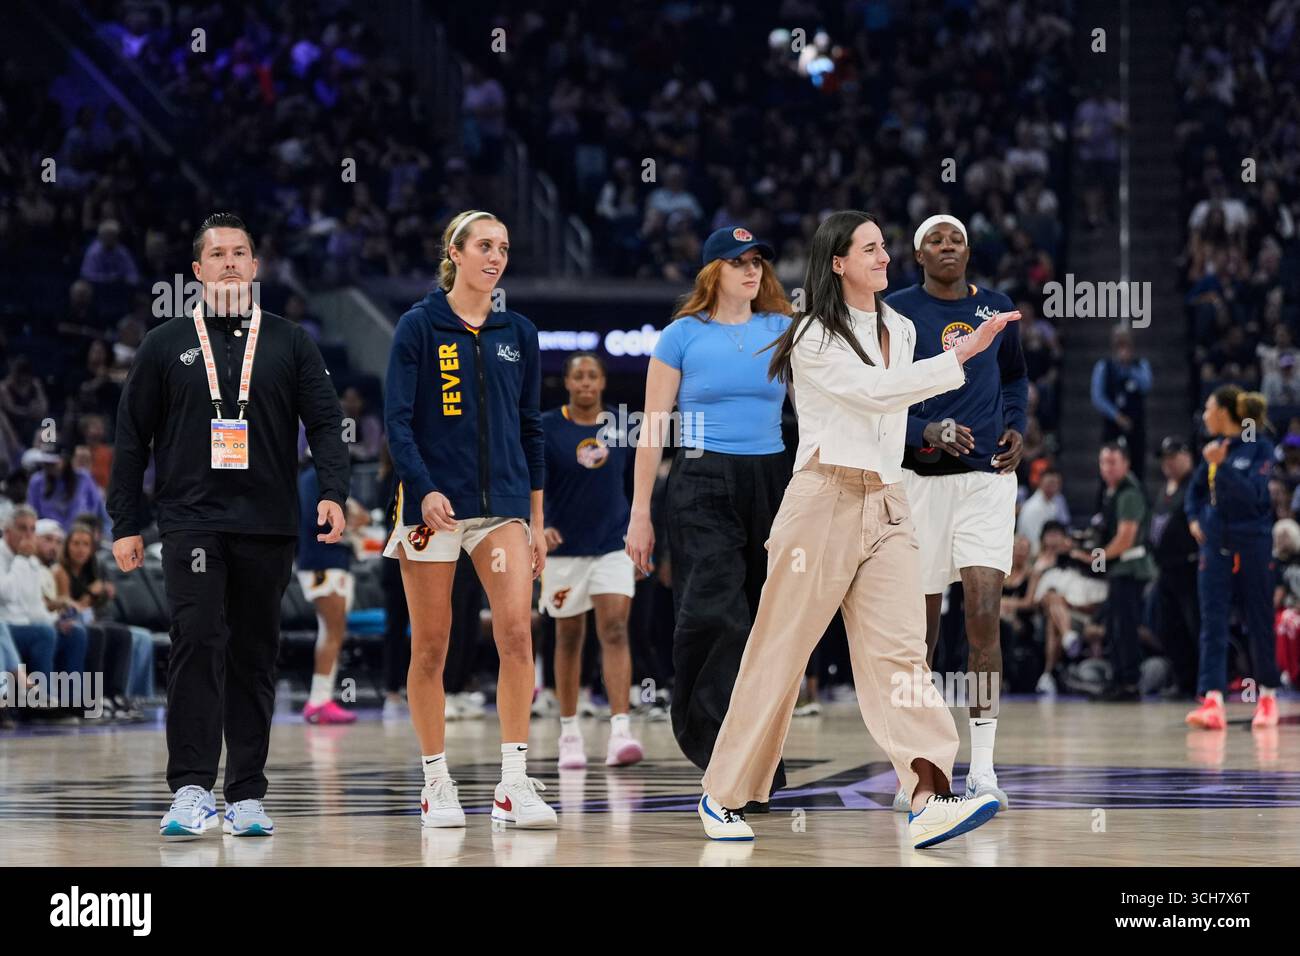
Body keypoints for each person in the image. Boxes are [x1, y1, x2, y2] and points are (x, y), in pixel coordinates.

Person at [695, 210, 1018, 848]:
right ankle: (722, 793)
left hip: (889, 499)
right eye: (870, 249)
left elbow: (901, 398)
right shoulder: (811, 332)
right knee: (779, 651)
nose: (885, 258)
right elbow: (874, 393)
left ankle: (930, 793)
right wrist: (960, 357)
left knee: (902, 658)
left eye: (883, 248)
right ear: (838, 262)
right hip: (823, 497)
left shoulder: (899, 325)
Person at [108, 212, 349, 840]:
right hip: (190, 522)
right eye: (218, 255)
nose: (231, 263)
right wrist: (125, 521)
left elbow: (325, 422)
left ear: (256, 265)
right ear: (197, 271)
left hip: (267, 523)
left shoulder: (290, 340)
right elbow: (131, 439)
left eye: (241, 253)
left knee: (253, 655)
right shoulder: (164, 344)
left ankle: (245, 794)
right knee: (196, 641)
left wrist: (332, 491)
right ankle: (190, 789)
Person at [383, 209, 556, 829]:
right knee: (432, 645)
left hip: (503, 510)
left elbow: (531, 427)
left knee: (516, 633)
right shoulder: (418, 327)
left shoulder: (520, 332)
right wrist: (423, 488)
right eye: (484, 245)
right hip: (435, 507)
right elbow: (397, 423)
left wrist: (534, 518)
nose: (495, 256)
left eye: (503, 248)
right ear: (453, 252)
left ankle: (512, 783)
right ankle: (435, 781)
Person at [625, 225, 794, 810]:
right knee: (716, 614)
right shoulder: (680, 336)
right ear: (712, 271)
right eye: (737, 261)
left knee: (768, 625)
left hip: (773, 481)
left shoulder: (784, 331)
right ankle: (720, 750)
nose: (751, 271)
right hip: (700, 480)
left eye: (757, 262)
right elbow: (652, 429)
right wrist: (639, 514)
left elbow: (820, 409)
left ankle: (757, 757)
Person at [885, 214, 1028, 811]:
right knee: (917, 635)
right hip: (918, 485)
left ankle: (985, 767)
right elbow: (880, 400)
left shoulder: (996, 308)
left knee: (984, 617)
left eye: (957, 239)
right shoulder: (895, 313)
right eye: (936, 241)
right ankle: (920, 768)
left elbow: (1015, 378)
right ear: (918, 254)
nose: (948, 247)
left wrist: (1017, 426)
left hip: (986, 484)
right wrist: (926, 430)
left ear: (968, 250)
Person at [541, 352, 643, 769]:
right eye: (578, 376)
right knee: (568, 637)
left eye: (593, 376)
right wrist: (539, 524)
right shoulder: (547, 427)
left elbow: (637, 483)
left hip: (612, 543)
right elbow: (531, 481)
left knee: (615, 628)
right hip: (563, 549)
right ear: (567, 382)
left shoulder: (621, 427)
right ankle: (568, 733)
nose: (585, 383)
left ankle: (620, 731)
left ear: (602, 383)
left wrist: (639, 532)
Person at [1184, 387, 1282, 730]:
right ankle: (1212, 699)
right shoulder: (1213, 451)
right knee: (1212, 622)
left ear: (1224, 412)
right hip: (1216, 547)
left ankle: (1267, 696)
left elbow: (1254, 497)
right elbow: (1194, 492)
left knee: (1258, 619)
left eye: (1208, 407)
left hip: (1252, 544)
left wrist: (1222, 467)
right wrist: (1194, 518)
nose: (1205, 414)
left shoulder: (1259, 447)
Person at [1082, 444, 1156, 700]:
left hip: (1130, 569)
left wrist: (1097, 556)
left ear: (1126, 464)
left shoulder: (1129, 493)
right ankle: (1119, 679)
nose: (1108, 468)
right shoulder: (1112, 492)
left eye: (1113, 462)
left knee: (1125, 627)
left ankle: (1129, 682)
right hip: (1119, 569)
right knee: (1115, 627)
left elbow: (1126, 538)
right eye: (1104, 462)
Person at [296, 458, 359, 724]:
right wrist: (353, 517)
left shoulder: (317, 479)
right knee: (332, 630)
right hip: (322, 561)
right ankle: (319, 700)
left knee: (331, 630)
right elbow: (318, 520)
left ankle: (322, 698)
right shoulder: (313, 479)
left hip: (330, 561)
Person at [1149, 437, 1200, 697]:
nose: (1167, 463)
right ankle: (1184, 680)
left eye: (1172, 457)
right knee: (1168, 626)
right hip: (1166, 569)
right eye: (1164, 458)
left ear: (1186, 456)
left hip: (1190, 568)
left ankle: (1204, 683)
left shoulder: (1195, 484)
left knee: (1195, 625)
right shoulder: (1165, 489)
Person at [1091, 326, 1152, 479]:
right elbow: (1098, 397)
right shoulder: (1104, 366)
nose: (1122, 344)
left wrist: (1129, 367)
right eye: (1119, 340)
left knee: (1137, 467)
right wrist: (1117, 416)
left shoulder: (1140, 365)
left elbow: (1146, 385)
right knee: (1109, 467)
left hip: (1135, 425)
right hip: (1113, 425)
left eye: (1125, 340)